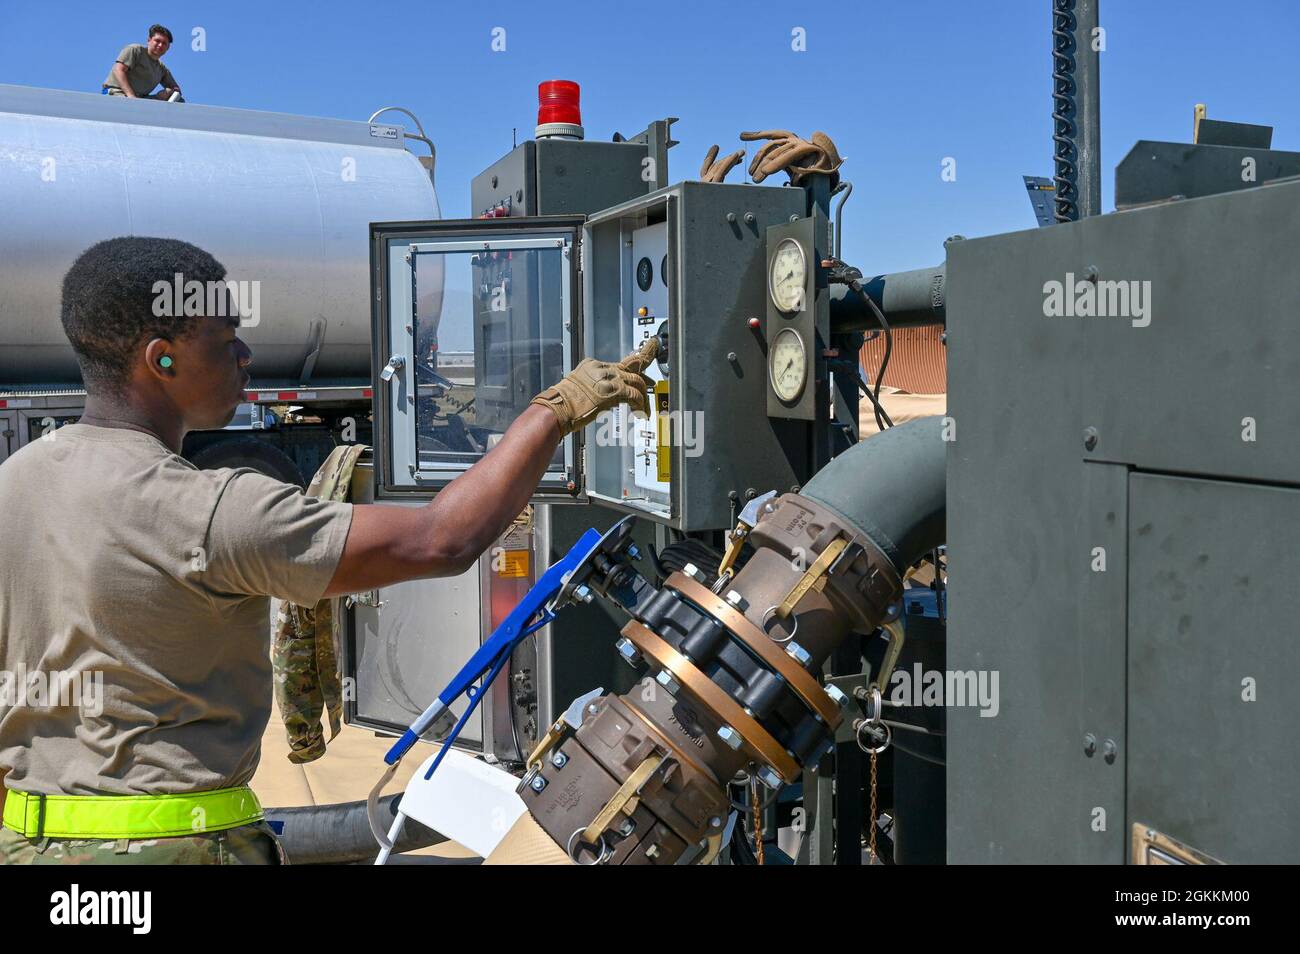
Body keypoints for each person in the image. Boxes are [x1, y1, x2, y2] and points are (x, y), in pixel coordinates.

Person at [0, 236, 656, 864]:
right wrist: (557, 409)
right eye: (227, 340)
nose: (246, 355)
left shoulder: (14, 482)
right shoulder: (205, 510)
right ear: (160, 359)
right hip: (177, 849)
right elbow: (443, 540)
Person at [103, 24, 183, 101]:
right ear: (149, 40)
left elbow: (176, 89)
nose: (160, 45)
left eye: (164, 43)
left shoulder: (161, 69)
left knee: (178, 99)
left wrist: (167, 92)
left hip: (140, 99)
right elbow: (118, 70)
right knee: (131, 107)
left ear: (168, 47)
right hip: (116, 93)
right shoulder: (135, 50)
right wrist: (131, 96)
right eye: (157, 41)